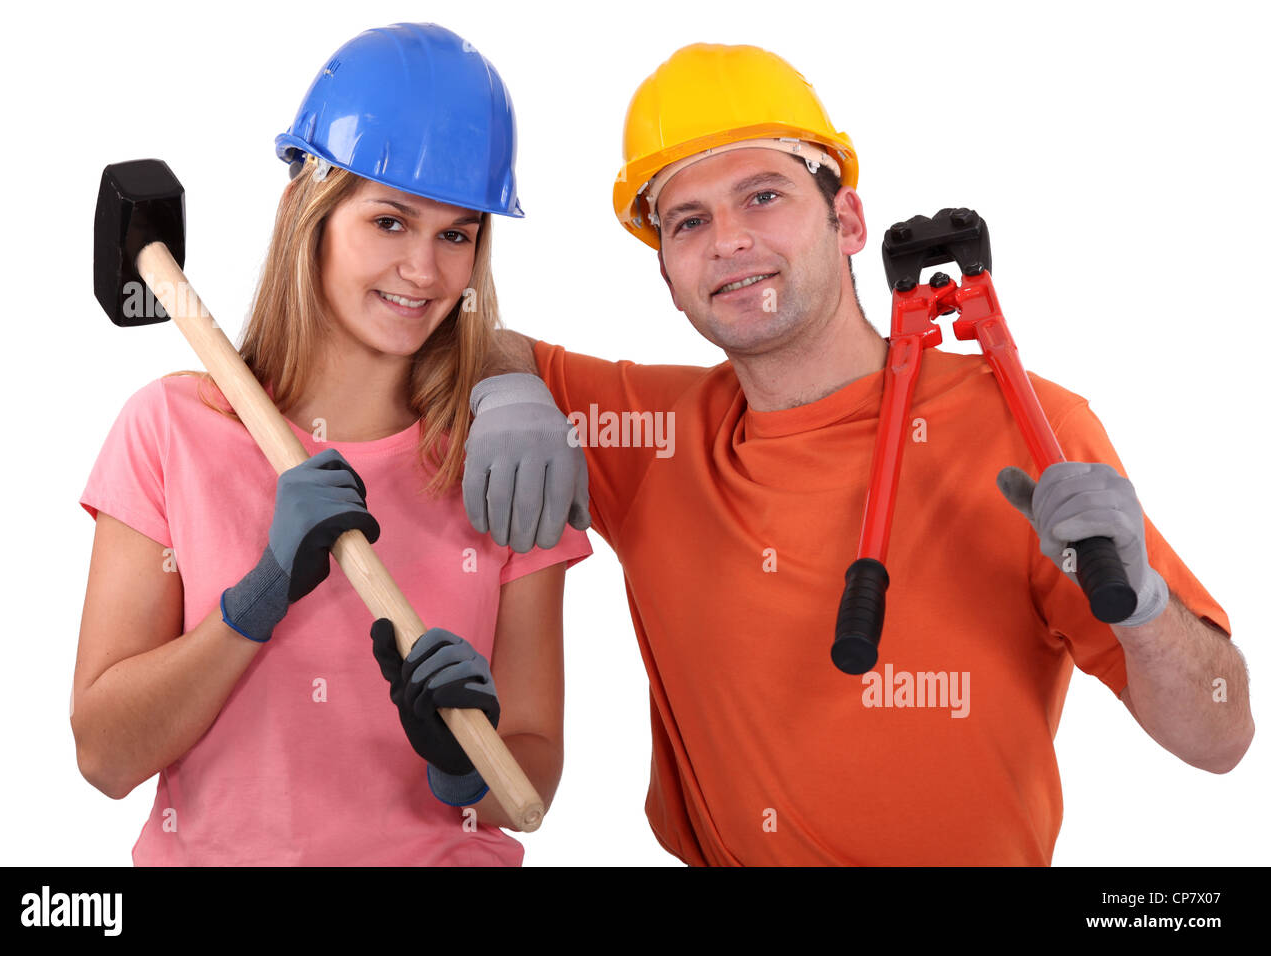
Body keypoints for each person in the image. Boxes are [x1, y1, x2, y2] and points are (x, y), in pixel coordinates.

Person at [462, 42, 1253, 865]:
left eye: (762, 196)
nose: (728, 240)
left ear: (847, 222)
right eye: (689, 221)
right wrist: (506, 388)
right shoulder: (650, 432)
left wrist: (1147, 608)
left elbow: (1222, 736)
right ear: (666, 272)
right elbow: (456, 335)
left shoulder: (1029, 432)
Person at [72, 22, 589, 866]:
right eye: (390, 221)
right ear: (308, 211)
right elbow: (105, 756)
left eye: (456, 234)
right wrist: (262, 595)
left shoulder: (499, 459)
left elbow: (530, 785)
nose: (424, 271)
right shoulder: (169, 431)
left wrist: (460, 762)